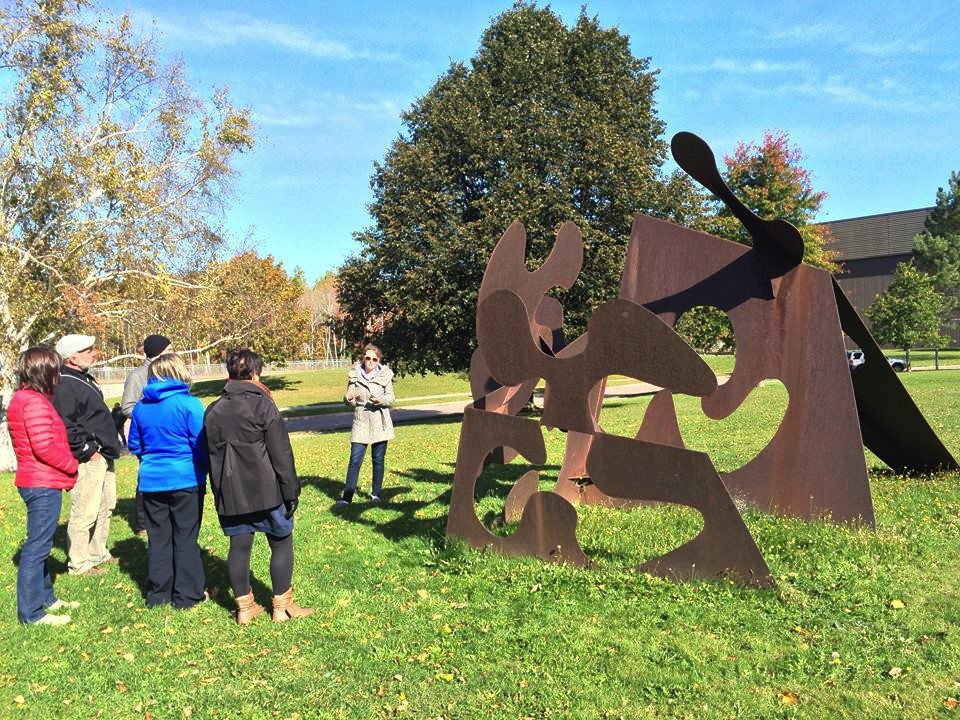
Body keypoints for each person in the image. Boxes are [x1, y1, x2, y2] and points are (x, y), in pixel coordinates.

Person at [204, 348, 313, 624]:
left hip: (231, 494)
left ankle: (245, 609)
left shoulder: (213, 410)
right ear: (255, 372)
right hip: (267, 493)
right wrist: (291, 491)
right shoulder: (263, 405)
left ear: (229, 374)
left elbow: (209, 456)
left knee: (239, 547)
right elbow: (281, 454)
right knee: (281, 543)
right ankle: (281, 607)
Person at [7, 347, 80, 625]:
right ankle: (32, 613)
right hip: (41, 482)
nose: (58, 374)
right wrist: (71, 464)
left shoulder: (22, 398)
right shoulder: (34, 403)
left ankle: (47, 597)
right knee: (36, 548)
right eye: (55, 369)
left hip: (36, 480)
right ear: (45, 372)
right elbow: (44, 446)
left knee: (42, 545)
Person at [128, 353, 207, 609]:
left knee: (158, 538)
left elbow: (134, 445)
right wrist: (201, 468)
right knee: (185, 537)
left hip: (152, 480)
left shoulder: (141, 407)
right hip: (185, 478)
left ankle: (158, 594)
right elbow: (200, 444)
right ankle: (187, 595)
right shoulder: (189, 405)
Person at [51, 334, 122, 576]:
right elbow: (66, 425)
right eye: (88, 350)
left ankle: (97, 551)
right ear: (72, 357)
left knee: (106, 505)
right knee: (85, 510)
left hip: (104, 454)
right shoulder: (64, 384)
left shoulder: (82, 378)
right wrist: (88, 453)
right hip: (88, 458)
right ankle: (79, 563)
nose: (94, 353)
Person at [333, 344, 395, 508]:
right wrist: (348, 397)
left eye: (374, 359)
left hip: (379, 422)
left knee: (378, 460)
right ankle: (347, 497)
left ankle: (376, 494)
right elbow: (349, 401)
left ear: (378, 360)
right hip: (360, 422)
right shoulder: (354, 375)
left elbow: (391, 399)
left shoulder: (386, 376)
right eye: (368, 358)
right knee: (354, 461)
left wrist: (380, 400)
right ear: (363, 358)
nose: (371, 361)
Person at [122, 334, 172, 536]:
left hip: (170, 433)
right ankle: (143, 523)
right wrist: (149, 416)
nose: (172, 353)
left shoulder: (171, 371)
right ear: (158, 352)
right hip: (147, 436)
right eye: (168, 350)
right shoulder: (138, 376)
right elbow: (127, 406)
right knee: (147, 475)